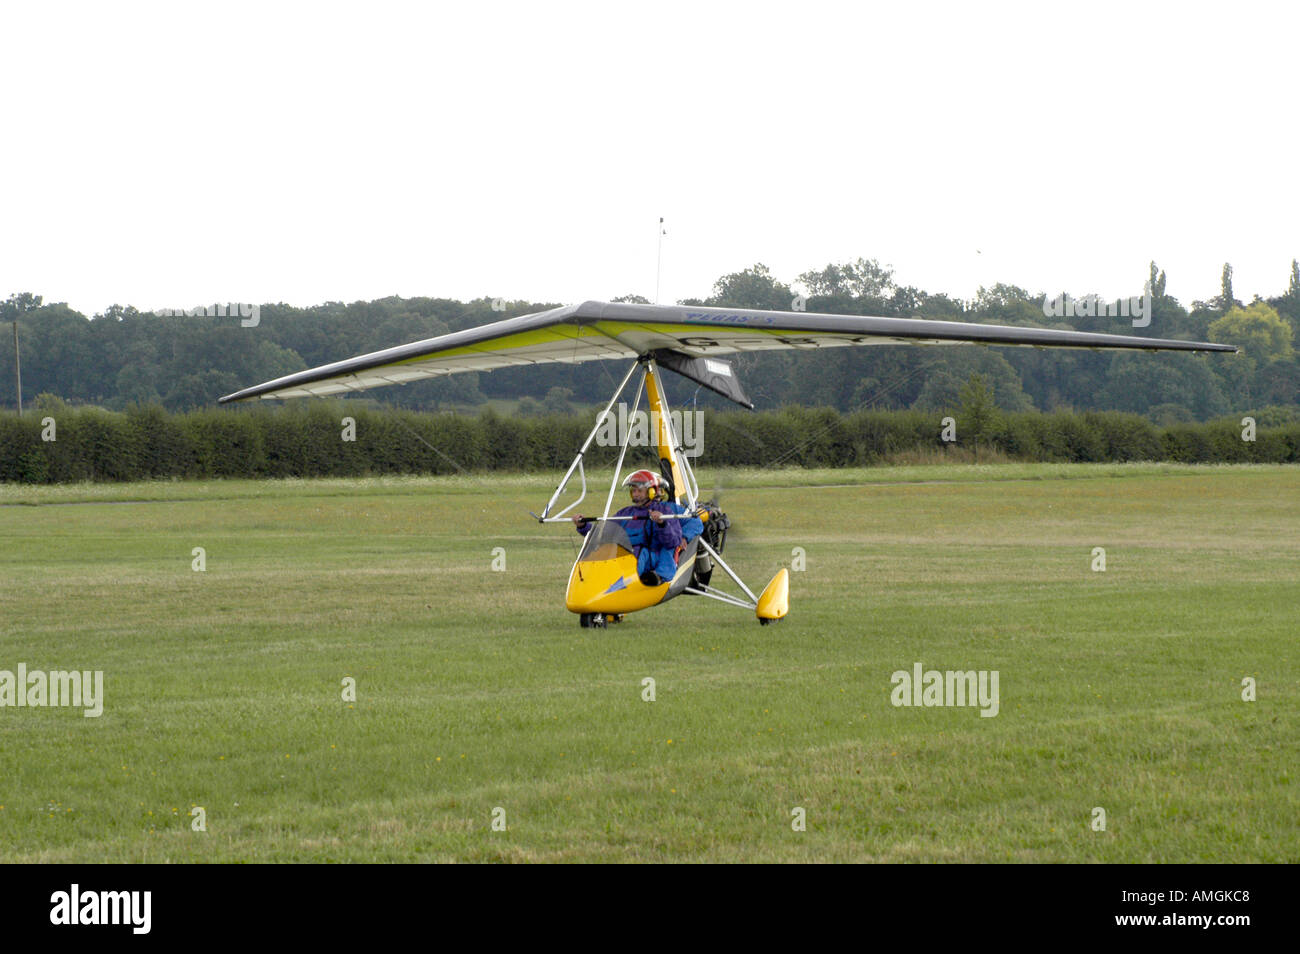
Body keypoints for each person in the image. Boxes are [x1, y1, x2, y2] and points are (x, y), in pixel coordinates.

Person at [572, 470, 682, 586]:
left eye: (640, 491)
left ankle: (626, 584)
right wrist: (583, 526)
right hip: (626, 555)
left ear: (651, 491)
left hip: (651, 556)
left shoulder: (664, 512)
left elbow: (674, 542)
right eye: (633, 491)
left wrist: (661, 523)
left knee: (640, 553)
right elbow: (603, 533)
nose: (635, 494)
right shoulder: (625, 513)